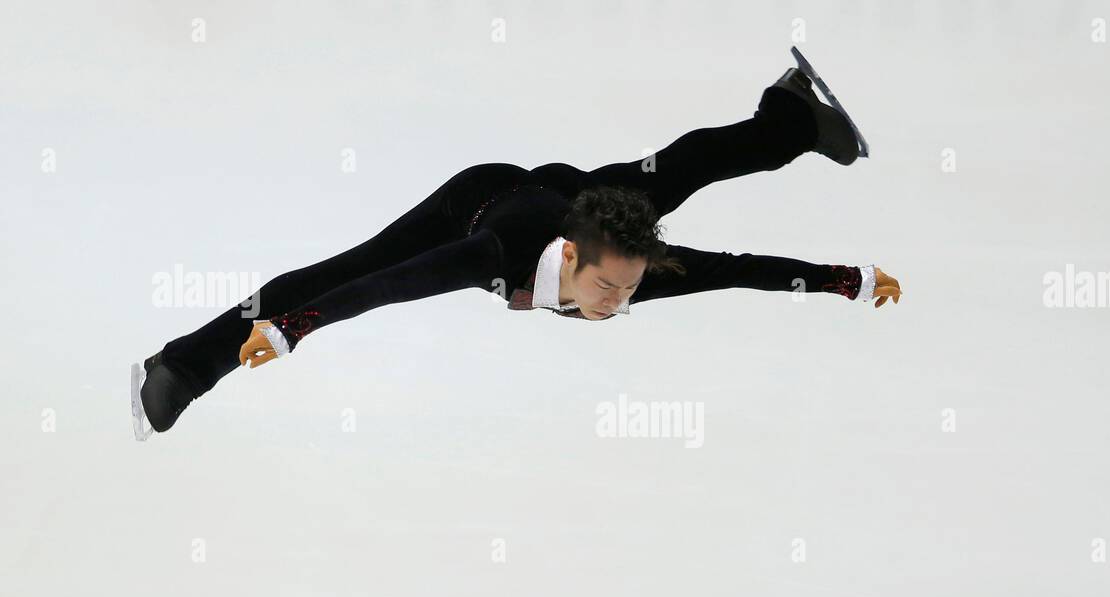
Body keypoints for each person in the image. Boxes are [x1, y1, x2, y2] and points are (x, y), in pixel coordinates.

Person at [132, 50, 902, 440]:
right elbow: (379, 289)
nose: (620, 306)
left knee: (680, 169)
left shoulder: (628, 269)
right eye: (611, 290)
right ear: (572, 260)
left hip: (585, 196)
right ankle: (179, 367)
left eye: (629, 291)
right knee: (347, 266)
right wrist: (290, 328)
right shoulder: (489, 257)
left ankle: (795, 115)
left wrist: (847, 279)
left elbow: (738, 272)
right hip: (481, 202)